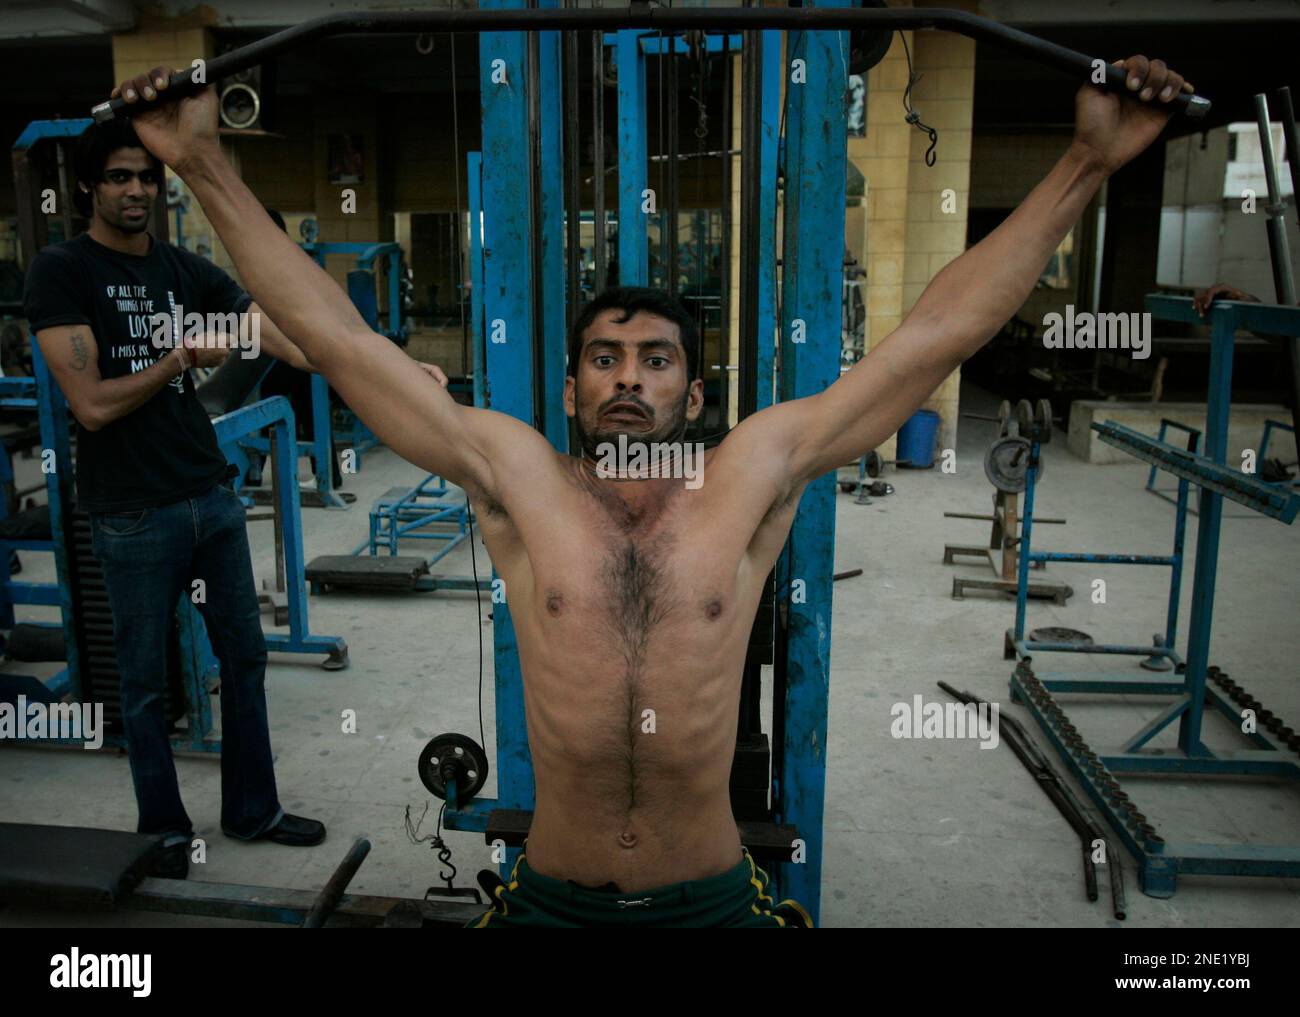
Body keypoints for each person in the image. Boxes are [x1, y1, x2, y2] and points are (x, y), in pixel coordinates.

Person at [111, 52, 1191, 925]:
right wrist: (204, 165)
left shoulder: (751, 475)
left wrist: (1085, 166)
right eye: (604, 358)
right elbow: (340, 340)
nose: (629, 378)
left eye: (656, 360)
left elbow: (936, 336)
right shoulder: (515, 477)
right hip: (548, 899)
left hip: (711, 900)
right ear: (573, 391)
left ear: (693, 386)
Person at [22, 119, 335, 879]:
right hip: (131, 513)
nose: (137, 191)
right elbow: (91, 405)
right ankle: (162, 830)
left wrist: (346, 362)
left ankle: (252, 809)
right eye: (122, 177)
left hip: (209, 496)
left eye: (148, 179)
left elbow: (260, 321)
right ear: (90, 186)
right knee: (143, 683)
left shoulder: (179, 266)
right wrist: (177, 360)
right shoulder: (62, 272)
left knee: (247, 657)